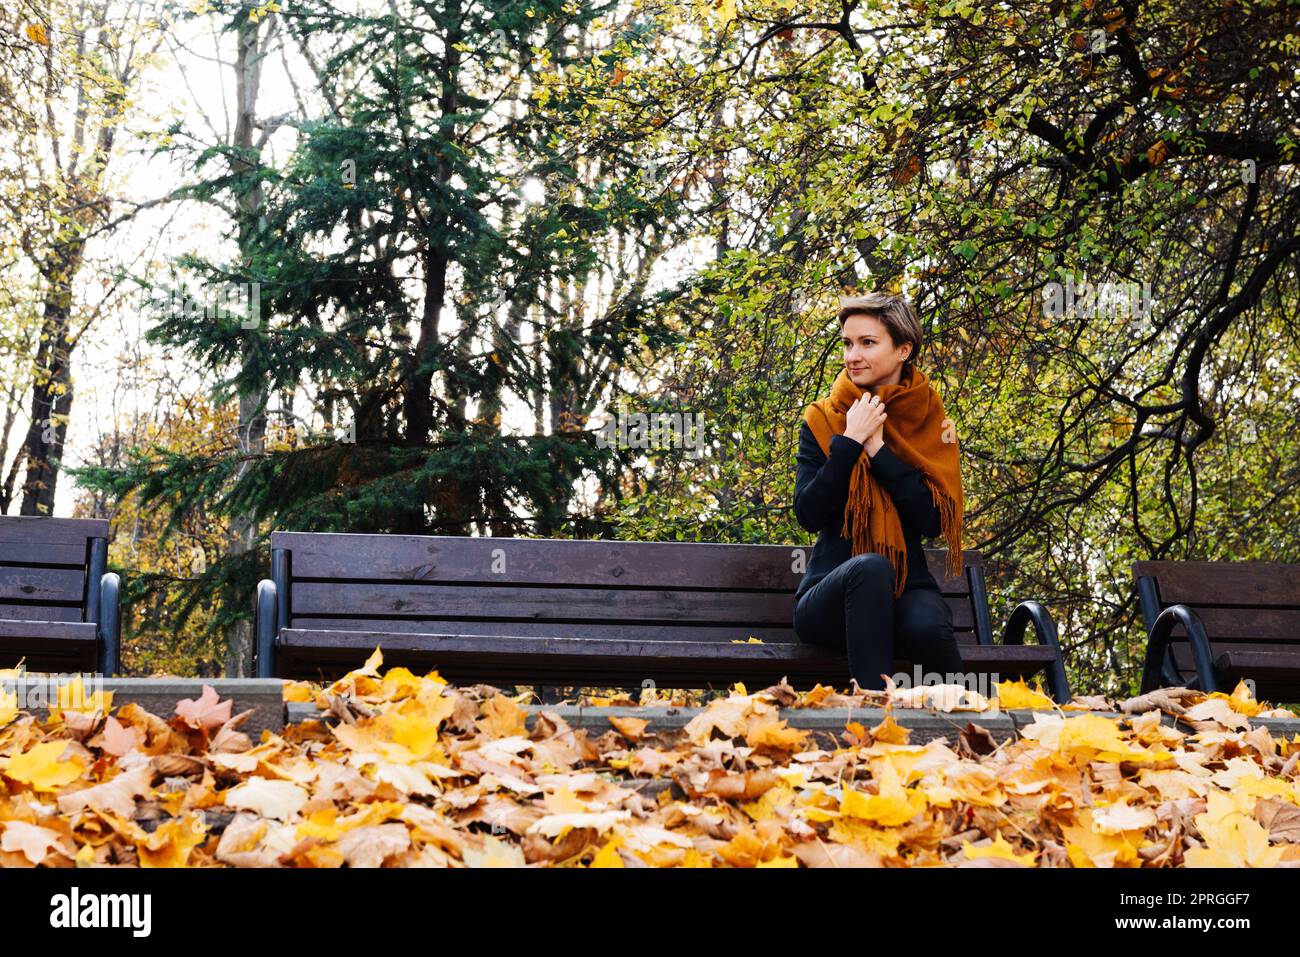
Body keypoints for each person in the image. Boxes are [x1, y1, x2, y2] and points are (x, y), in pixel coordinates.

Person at [792, 291, 965, 692]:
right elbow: (808, 513)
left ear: (903, 349)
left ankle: (967, 731)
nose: (853, 355)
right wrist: (850, 441)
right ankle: (873, 720)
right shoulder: (824, 420)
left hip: (908, 589)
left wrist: (879, 450)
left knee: (926, 625)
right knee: (870, 568)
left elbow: (934, 520)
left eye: (868, 343)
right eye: (848, 344)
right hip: (828, 597)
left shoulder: (933, 423)